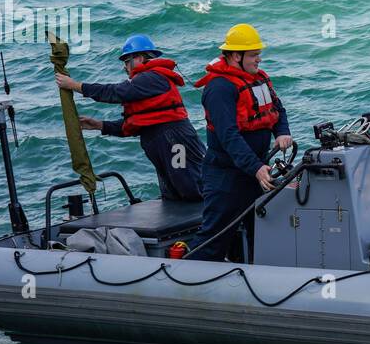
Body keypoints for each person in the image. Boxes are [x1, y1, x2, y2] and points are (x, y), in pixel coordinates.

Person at [181, 23, 293, 261]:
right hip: (226, 176)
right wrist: (256, 168)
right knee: (216, 235)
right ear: (234, 56)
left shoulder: (259, 80)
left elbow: (277, 109)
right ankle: (185, 277)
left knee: (260, 231)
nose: (258, 60)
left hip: (255, 170)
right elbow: (228, 136)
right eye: (253, 55)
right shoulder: (219, 88)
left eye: (258, 54)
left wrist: (281, 132)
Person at [54, 34, 204, 201]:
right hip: (165, 141)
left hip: (176, 142)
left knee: (189, 184)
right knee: (172, 190)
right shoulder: (146, 81)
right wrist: (100, 125)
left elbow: (115, 92)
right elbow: (138, 123)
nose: (125, 67)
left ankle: (210, 221)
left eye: (126, 62)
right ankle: (186, 222)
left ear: (139, 58)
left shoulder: (151, 77)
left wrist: (75, 86)